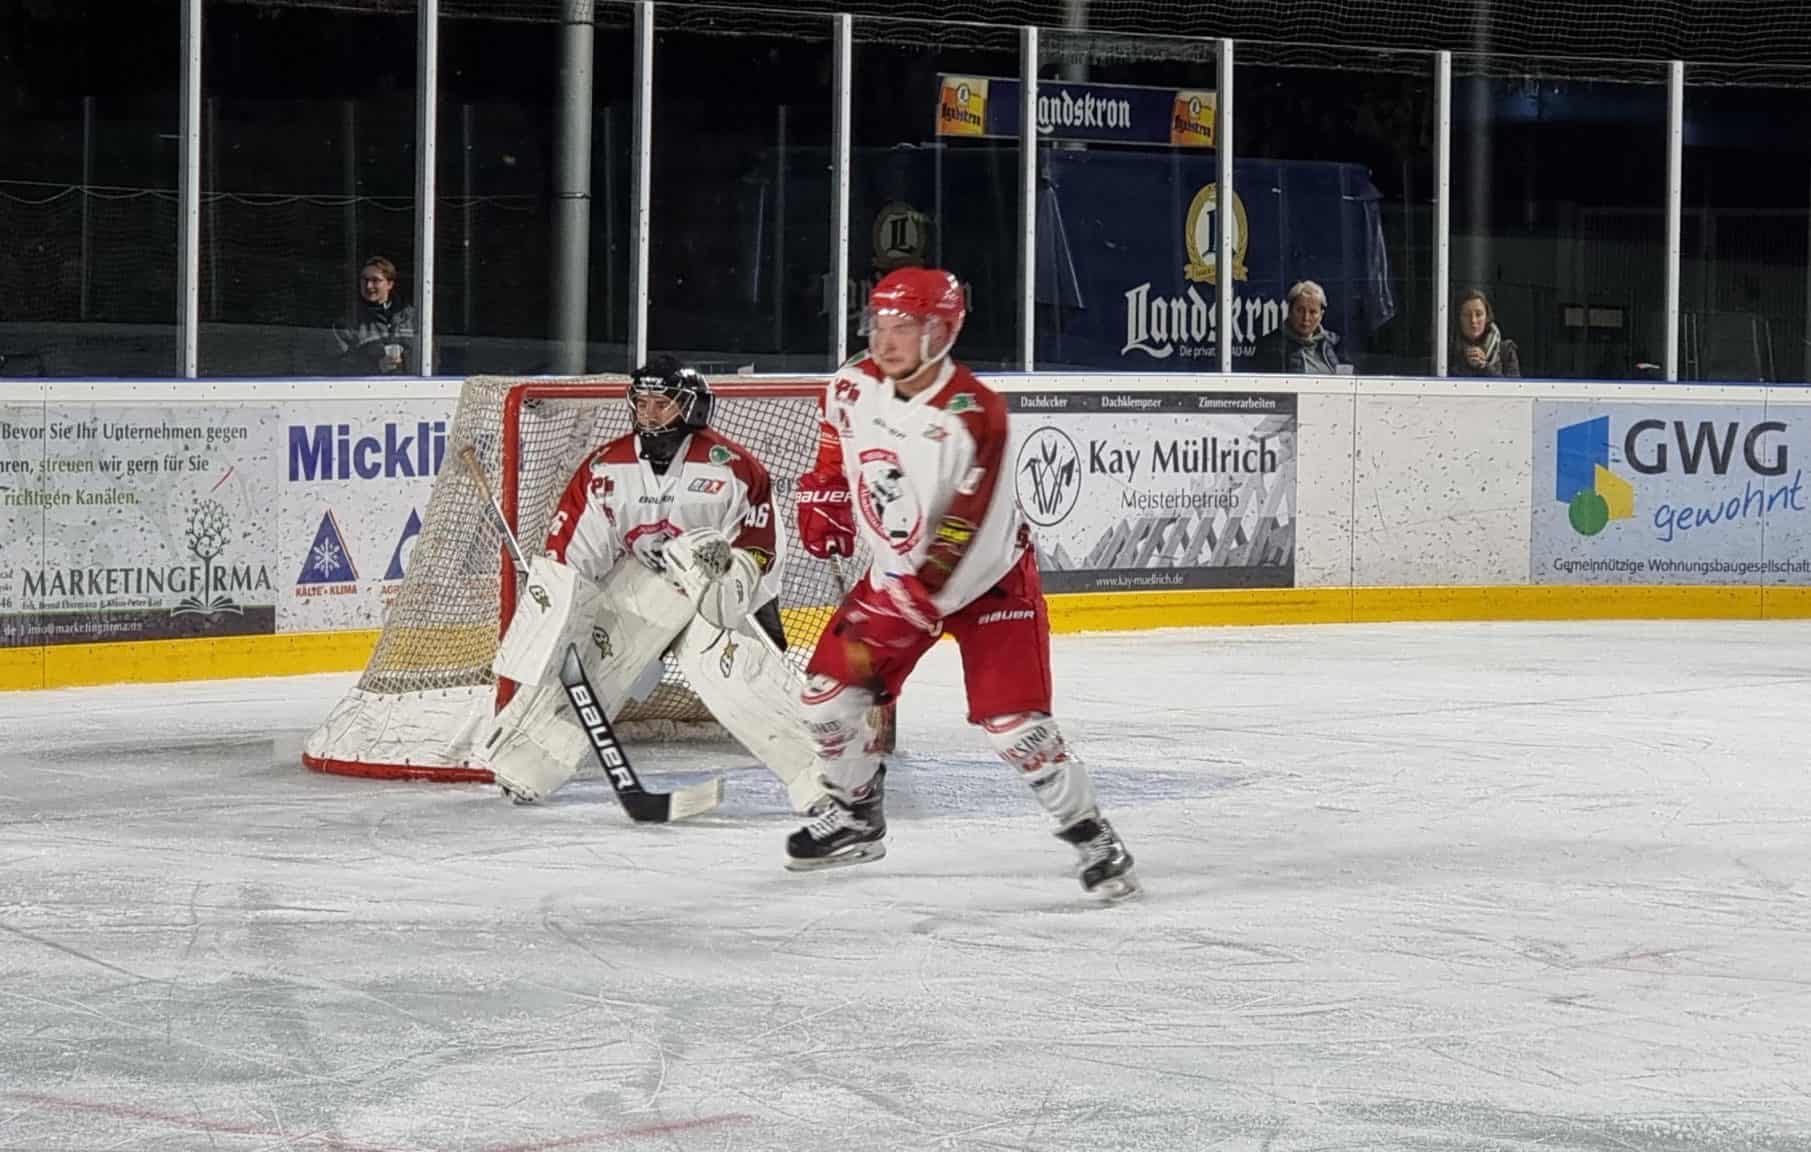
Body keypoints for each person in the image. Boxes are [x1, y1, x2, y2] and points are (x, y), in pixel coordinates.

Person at [786, 267, 1138, 899]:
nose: (887, 340)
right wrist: (825, 492)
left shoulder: (974, 414)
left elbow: (960, 528)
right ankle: (858, 813)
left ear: (943, 331)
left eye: (906, 327)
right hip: (894, 582)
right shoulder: (848, 387)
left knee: (1018, 729)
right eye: (881, 324)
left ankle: (1093, 836)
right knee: (824, 702)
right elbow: (835, 452)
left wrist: (922, 591)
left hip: (989, 587)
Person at [479, 354, 828, 814]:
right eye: (641, 402)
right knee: (593, 660)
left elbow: (758, 550)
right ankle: (526, 761)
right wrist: (560, 619)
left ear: (692, 407)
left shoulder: (732, 468)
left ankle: (825, 779)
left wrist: (747, 606)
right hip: (643, 589)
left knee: (739, 679)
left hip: (711, 594)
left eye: (661, 403)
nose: (648, 413)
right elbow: (572, 554)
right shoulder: (606, 467)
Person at [332, 257, 416, 375]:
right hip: (369, 391)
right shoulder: (348, 321)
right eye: (364, 280)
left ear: (390, 284)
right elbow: (338, 367)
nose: (369, 286)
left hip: (412, 390)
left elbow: (431, 358)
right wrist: (376, 367)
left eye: (375, 280)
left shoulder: (411, 316)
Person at [1252, 280, 1345, 375]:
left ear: (1321, 315)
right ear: (1289, 311)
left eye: (1313, 312)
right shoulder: (1270, 347)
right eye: (1300, 310)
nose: (1306, 318)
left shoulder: (1333, 344)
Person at [1452, 288, 1521, 377]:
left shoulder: (1506, 351)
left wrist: (1484, 367)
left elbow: (1513, 389)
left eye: (1479, 314)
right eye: (1467, 315)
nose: (1473, 320)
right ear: (1459, 319)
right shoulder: (1448, 352)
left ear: (1487, 317)